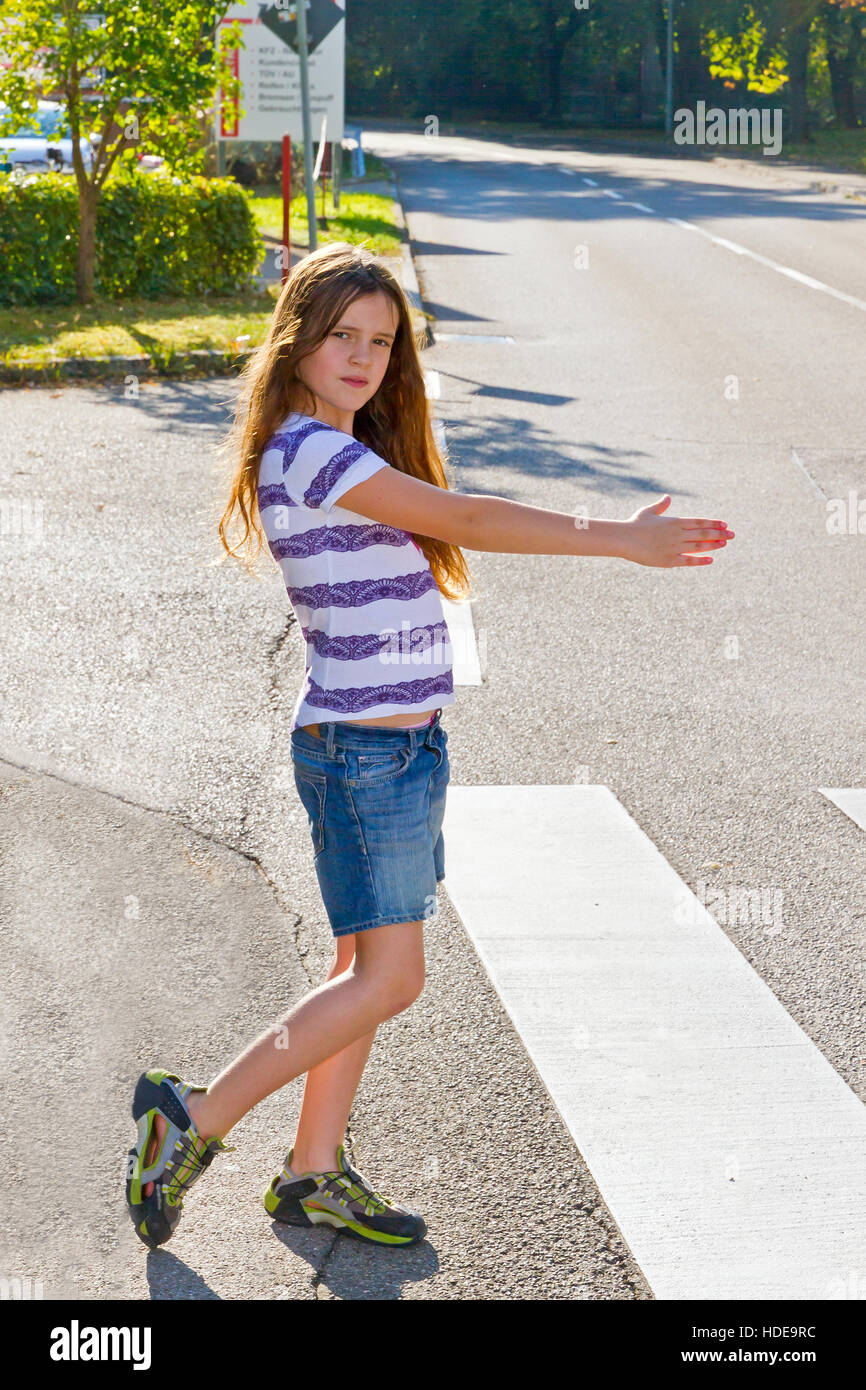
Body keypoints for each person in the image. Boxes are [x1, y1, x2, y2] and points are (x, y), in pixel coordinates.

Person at [125, 241, 735, 1253]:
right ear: (298, 340)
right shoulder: (312, 450)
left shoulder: (329, 443)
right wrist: (615, 536)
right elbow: (460, 517)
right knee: (389, 978)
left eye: (380, 340)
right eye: (341, 337)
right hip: (362, 753)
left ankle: (314, 1170)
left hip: (394, 750)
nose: (362, 358)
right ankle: (193, 1118)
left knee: (360, 963)